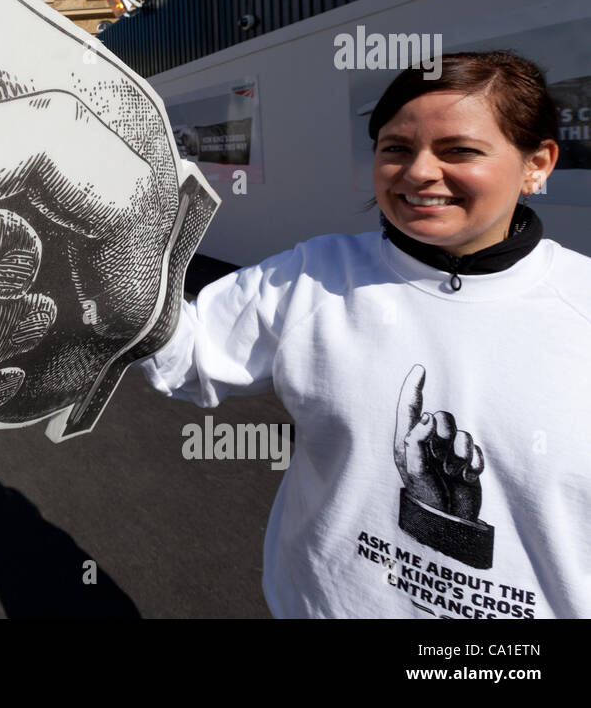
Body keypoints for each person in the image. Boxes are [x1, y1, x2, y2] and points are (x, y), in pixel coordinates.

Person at [132, 51, 589, 617]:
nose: (419, 171)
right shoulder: (315, 275)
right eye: (396, 148)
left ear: (537, 163)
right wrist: (111, 263)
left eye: (459, 150)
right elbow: (187, 356)